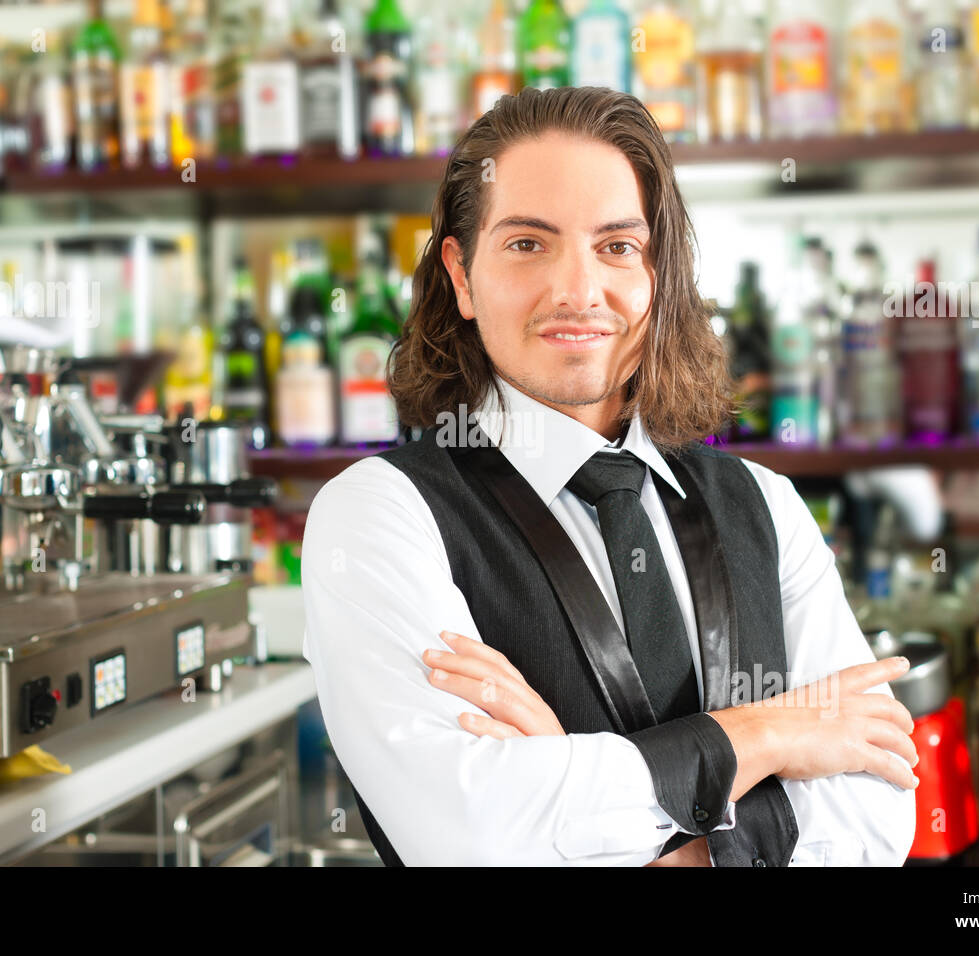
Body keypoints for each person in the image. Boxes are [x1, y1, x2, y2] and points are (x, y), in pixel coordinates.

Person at [301, 86, 918, 866]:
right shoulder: (378, 516)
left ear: (659, 272)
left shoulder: (765, 506)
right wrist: (771, 734)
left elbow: (878, 814)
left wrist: (572, 790)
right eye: (528, 243)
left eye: (618, 246)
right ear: (461, 274)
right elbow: (470, 837)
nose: (577, 291)